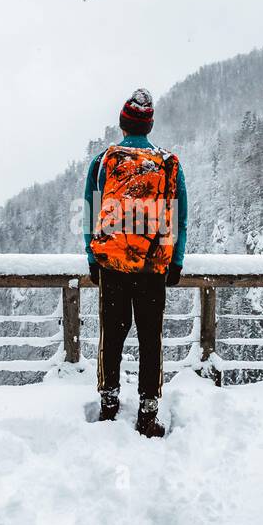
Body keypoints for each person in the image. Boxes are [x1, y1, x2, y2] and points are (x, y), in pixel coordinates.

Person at [83, 88, 187, 437]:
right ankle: (147, 413)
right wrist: (175, 262)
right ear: (150, 125)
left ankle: (109, 405)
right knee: (150, 339)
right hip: (153, 268)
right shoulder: (168, 163)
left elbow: (91, 213)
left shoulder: (103, 161)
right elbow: (178, 216)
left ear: (122, 123)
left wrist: (92, 258)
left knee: (111, 336)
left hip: (112, 264)